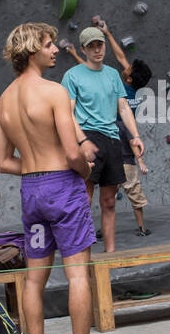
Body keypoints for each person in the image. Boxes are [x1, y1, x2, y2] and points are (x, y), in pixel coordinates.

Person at [0, 22, 113, 334]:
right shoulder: (53, 93)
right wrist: (83, 169)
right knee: (78, 273)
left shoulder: (4, 100)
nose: (55, 49)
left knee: (34, 280)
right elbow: (72, 151)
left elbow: (3, 162)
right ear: (32, 50)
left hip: (31, 191)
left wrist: (36, 169)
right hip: (62, 186)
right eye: (48, 45)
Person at [61, 19, 153, 235]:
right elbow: (69, 108)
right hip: (102, 139)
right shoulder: (77, 76)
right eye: (91, 46)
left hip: (111, 139)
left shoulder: (113, 78)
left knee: (104, 196)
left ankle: (100, 242)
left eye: (99, 44)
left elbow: (122, 106)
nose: (97, 49)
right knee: (96, 192)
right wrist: (82, 141)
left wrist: (136, 137)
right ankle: (84, 235)